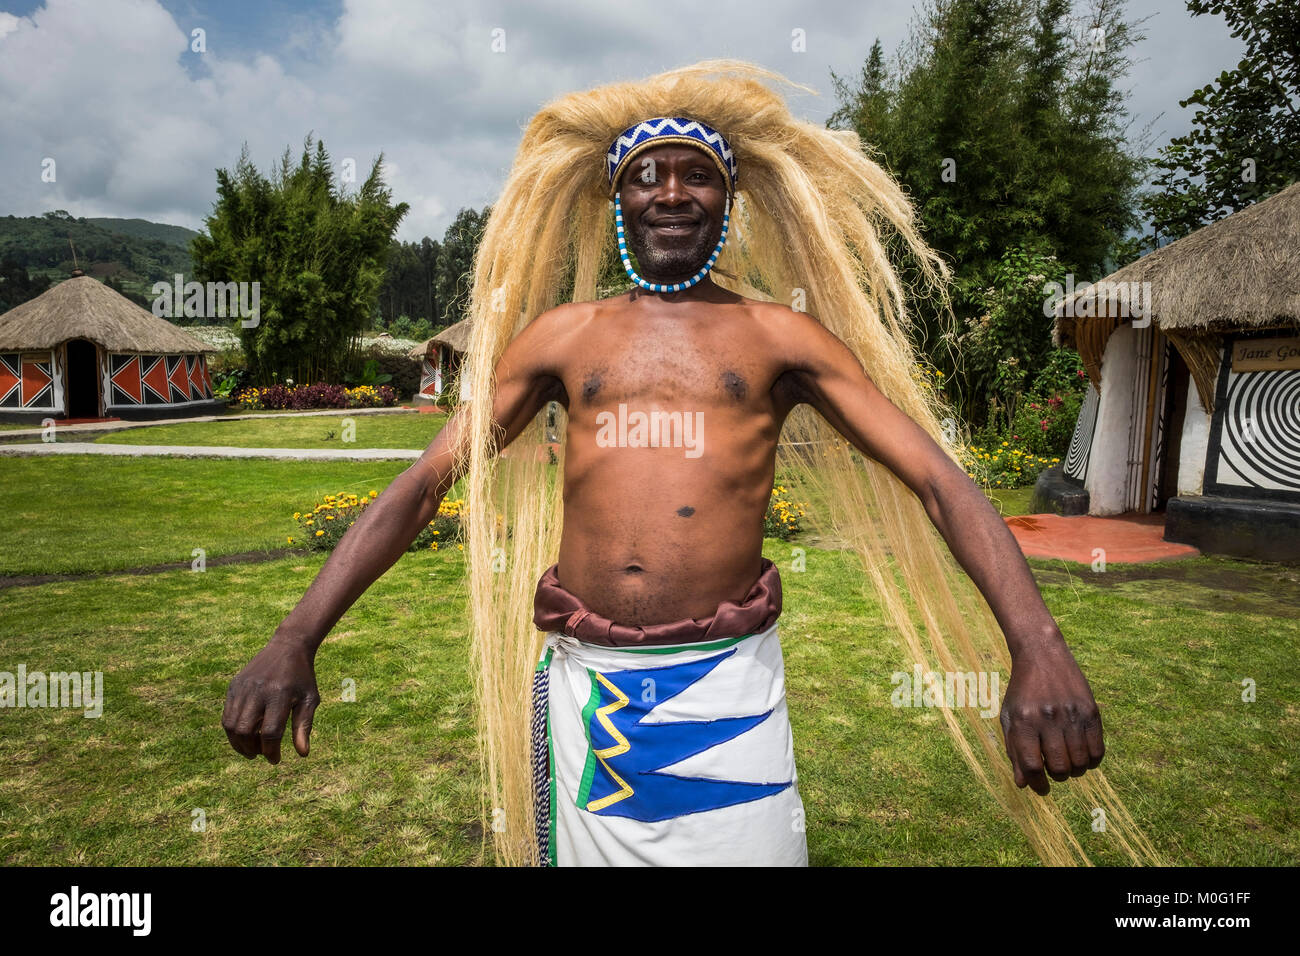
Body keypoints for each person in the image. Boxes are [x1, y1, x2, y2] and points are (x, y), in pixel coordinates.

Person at [224, 61, 1160, 867]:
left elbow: (941, 481)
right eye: (647, 175)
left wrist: (1038, 647)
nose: (671, 192)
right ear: (617, 196)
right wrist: (296, 636)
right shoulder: (561, 339)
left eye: (696, 175)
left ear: (730, 197)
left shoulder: (780, 337)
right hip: (587, 693)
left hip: (729, 693)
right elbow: (426, 482)